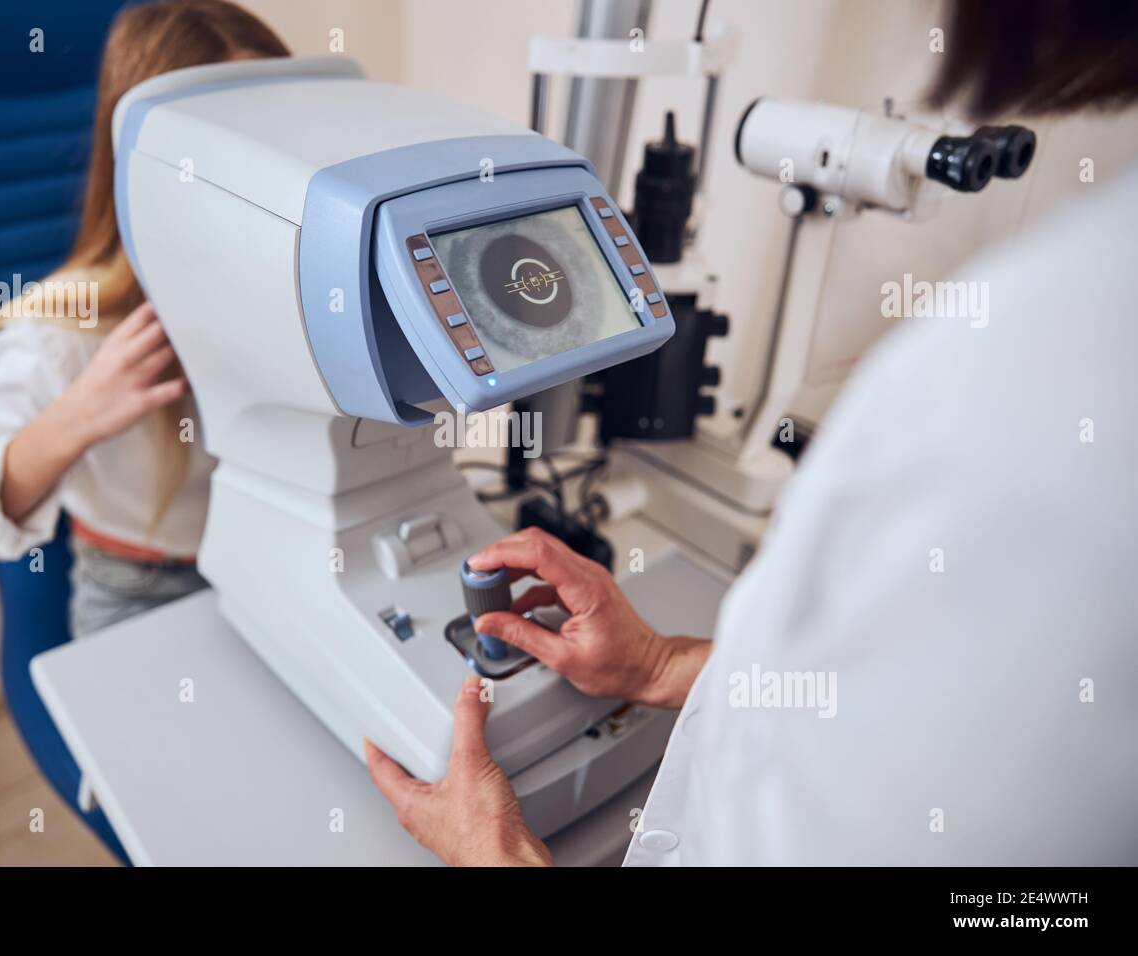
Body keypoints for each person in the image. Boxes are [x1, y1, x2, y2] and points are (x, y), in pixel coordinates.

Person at [365, 0, 1138, 865]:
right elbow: (901, 709)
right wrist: (659, 667)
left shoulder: (1022, 400)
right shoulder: (1065, 327)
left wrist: (494, 855)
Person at [0, 1, 290, 637]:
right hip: (149, 591)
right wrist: (77, 414)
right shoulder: (63, 330)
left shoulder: (290, 284)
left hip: (284, 568)